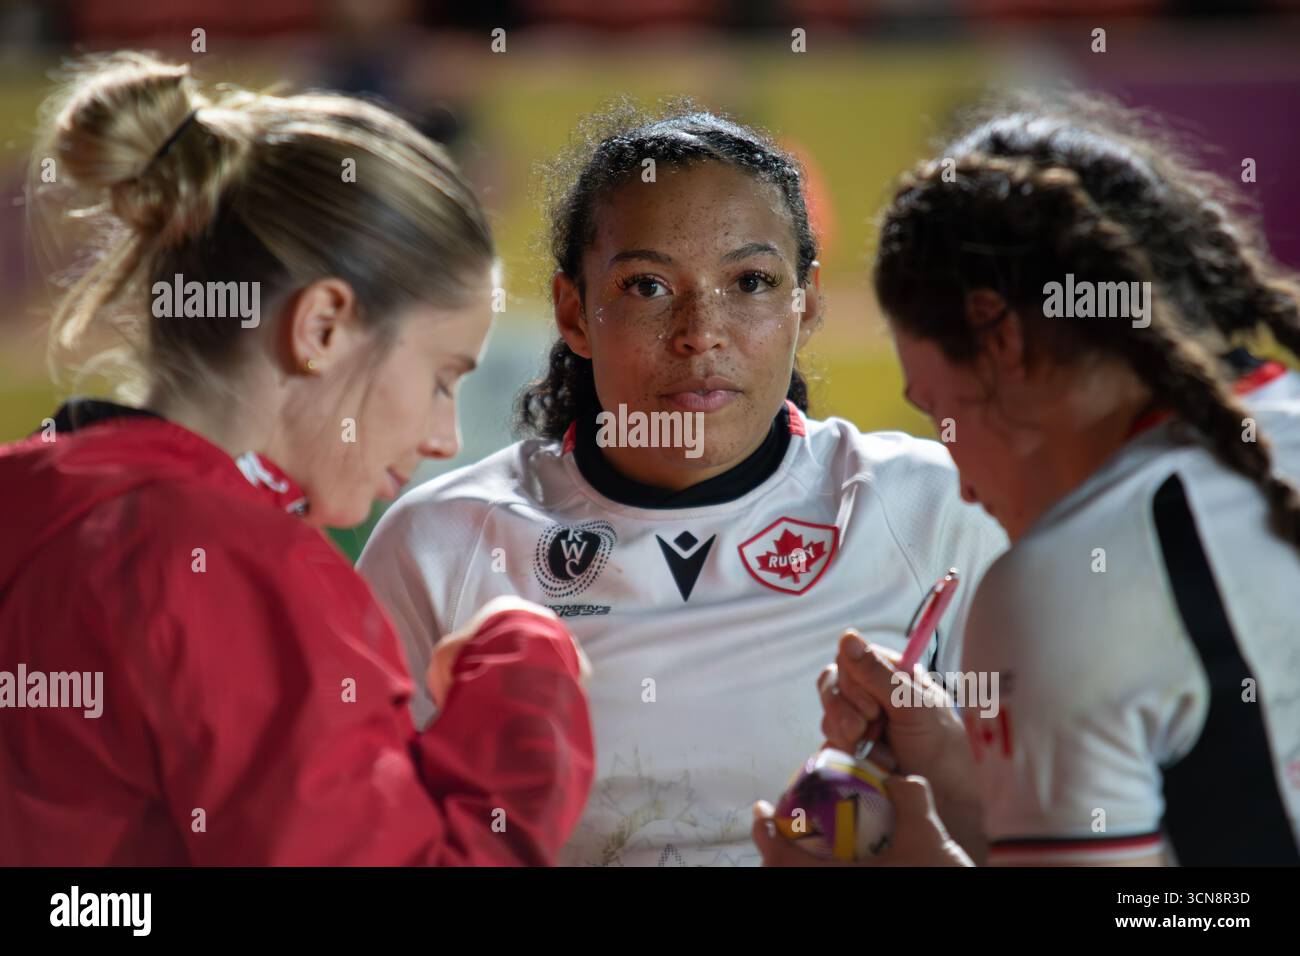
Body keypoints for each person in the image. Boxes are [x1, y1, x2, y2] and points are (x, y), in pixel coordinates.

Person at [358, 104, 1007, 866]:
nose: (702, 330)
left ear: (808, 305)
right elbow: (363, 840)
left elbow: (1060, 835)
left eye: (753, 281)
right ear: (573, 312)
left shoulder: (932, 507)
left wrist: (951, 792)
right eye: (647, 287)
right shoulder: (442, 542)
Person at [0, 52, 593, 866]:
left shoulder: (30, 495)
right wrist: (526, 683)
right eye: (439, 379)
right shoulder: (239, 572)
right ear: (321, 329)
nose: (443, 438)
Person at [756, 96, 1300, 866]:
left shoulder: (1061, 585)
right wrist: (955, 770)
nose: (967, 492)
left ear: (1001, 338)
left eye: (937, 411)